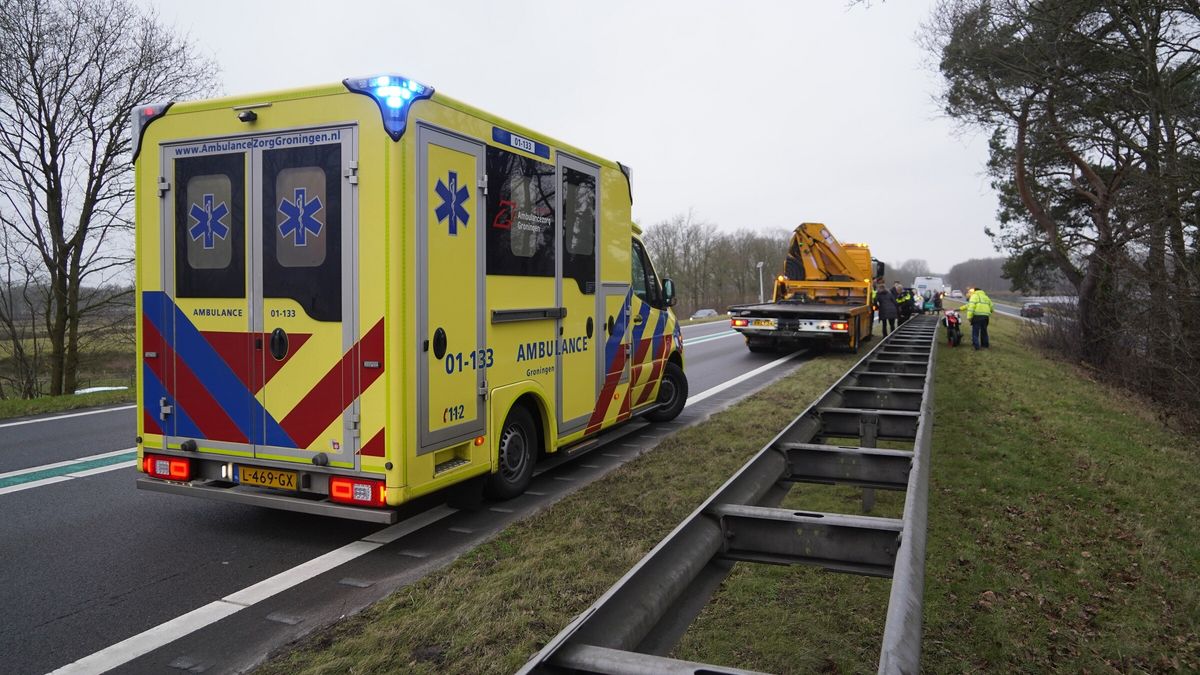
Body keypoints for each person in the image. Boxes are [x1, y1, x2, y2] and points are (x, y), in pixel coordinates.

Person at [963, 286, 995, 350]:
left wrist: (969, 317)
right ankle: (985, 345)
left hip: (977, 316)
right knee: (984, 331)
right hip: (985, 317)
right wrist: (988, 313)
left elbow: (971, 307)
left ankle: (977, 346)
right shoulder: (986, 297)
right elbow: (992, 307)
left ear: (974, 291)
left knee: (975, 332)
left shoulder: (974, 296)